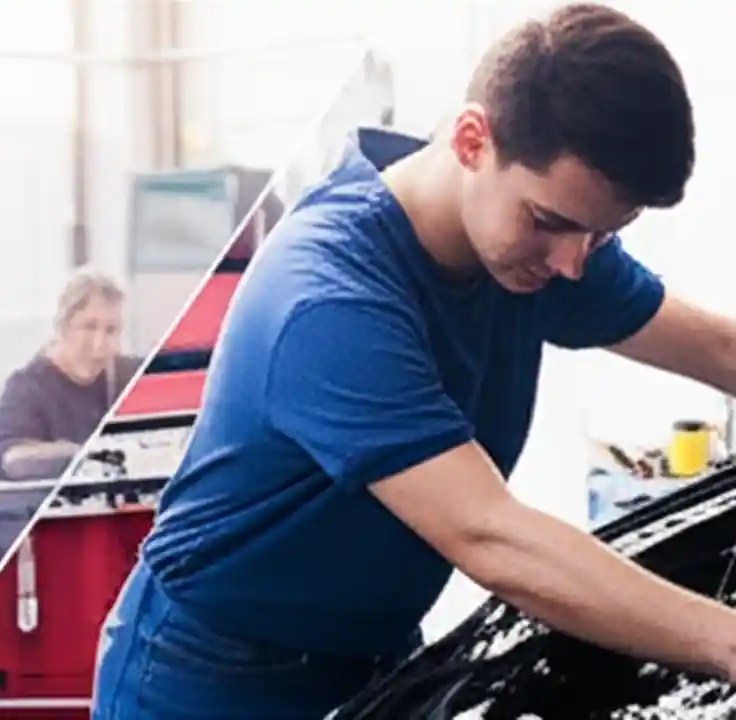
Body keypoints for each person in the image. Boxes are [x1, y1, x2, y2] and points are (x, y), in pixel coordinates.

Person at [92, 5, 736, 718]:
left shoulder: (536, 251)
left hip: (375, 656)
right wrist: (727, 641)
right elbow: (491, 537)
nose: (576, 264)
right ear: (471, 141)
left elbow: (719, 347)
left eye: (603, 232)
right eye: (551, 223)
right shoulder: (328, 297)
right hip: (206, 679)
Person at [0, 267, 141, 480]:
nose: (100, 344)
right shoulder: (26, 388)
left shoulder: (130, 377)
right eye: (89, 327)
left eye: (110, 330)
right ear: (62, 327)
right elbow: (12, 458)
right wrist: (80, 455)